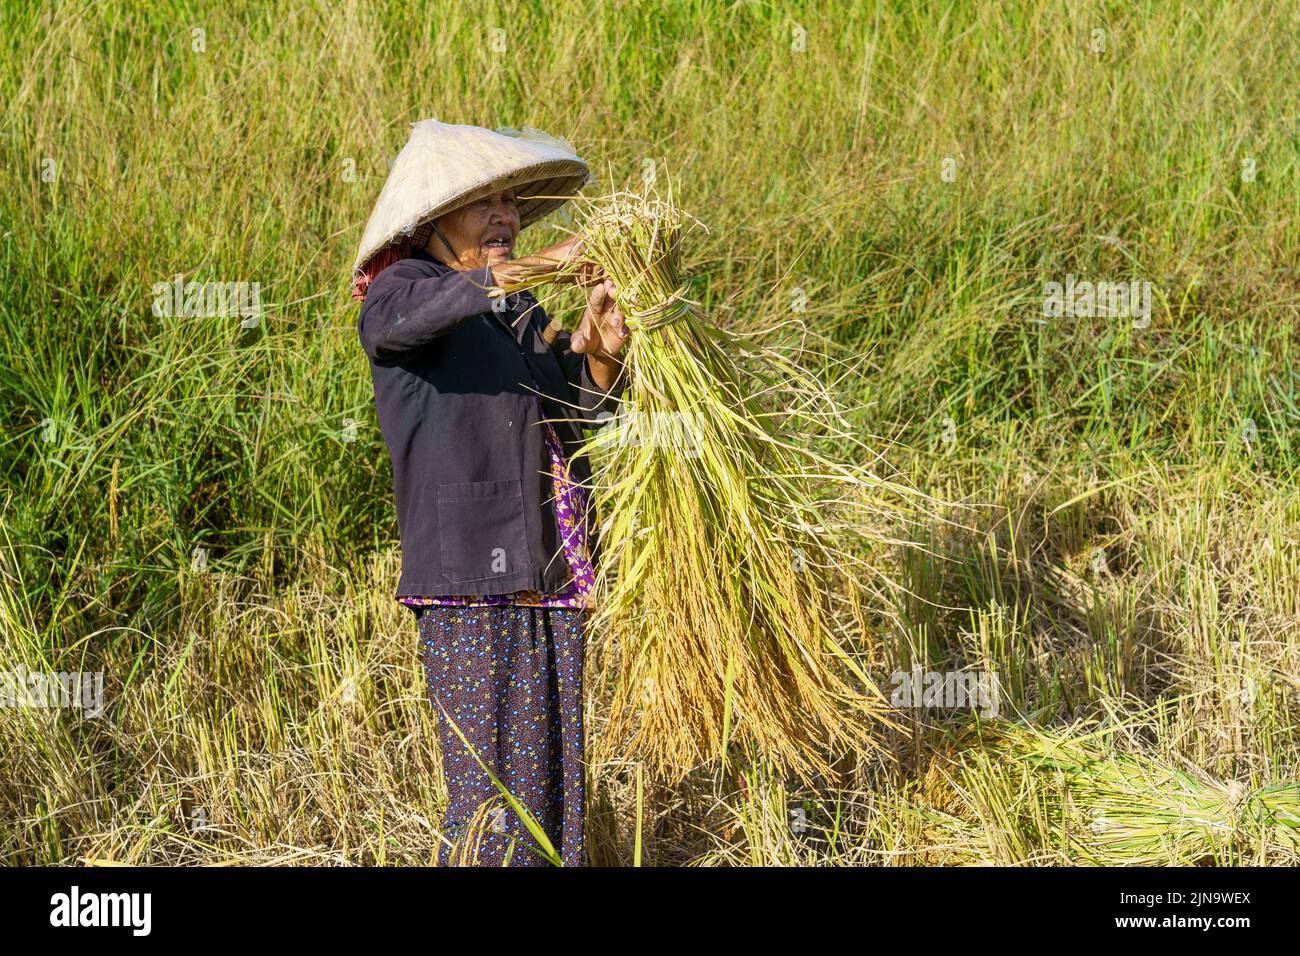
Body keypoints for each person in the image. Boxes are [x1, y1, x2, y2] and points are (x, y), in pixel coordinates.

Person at [352, 120, 627, 866]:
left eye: (511, 203)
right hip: (472, 581)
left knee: (552, 794)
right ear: (435, 219)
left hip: (549, 575)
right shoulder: (404, 288)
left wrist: (600, 352)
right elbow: (391, 330)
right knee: (487, 803)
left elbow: (575, 421)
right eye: (485, 204)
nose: (504, 216)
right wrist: (524, 270)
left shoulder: (520, 316)